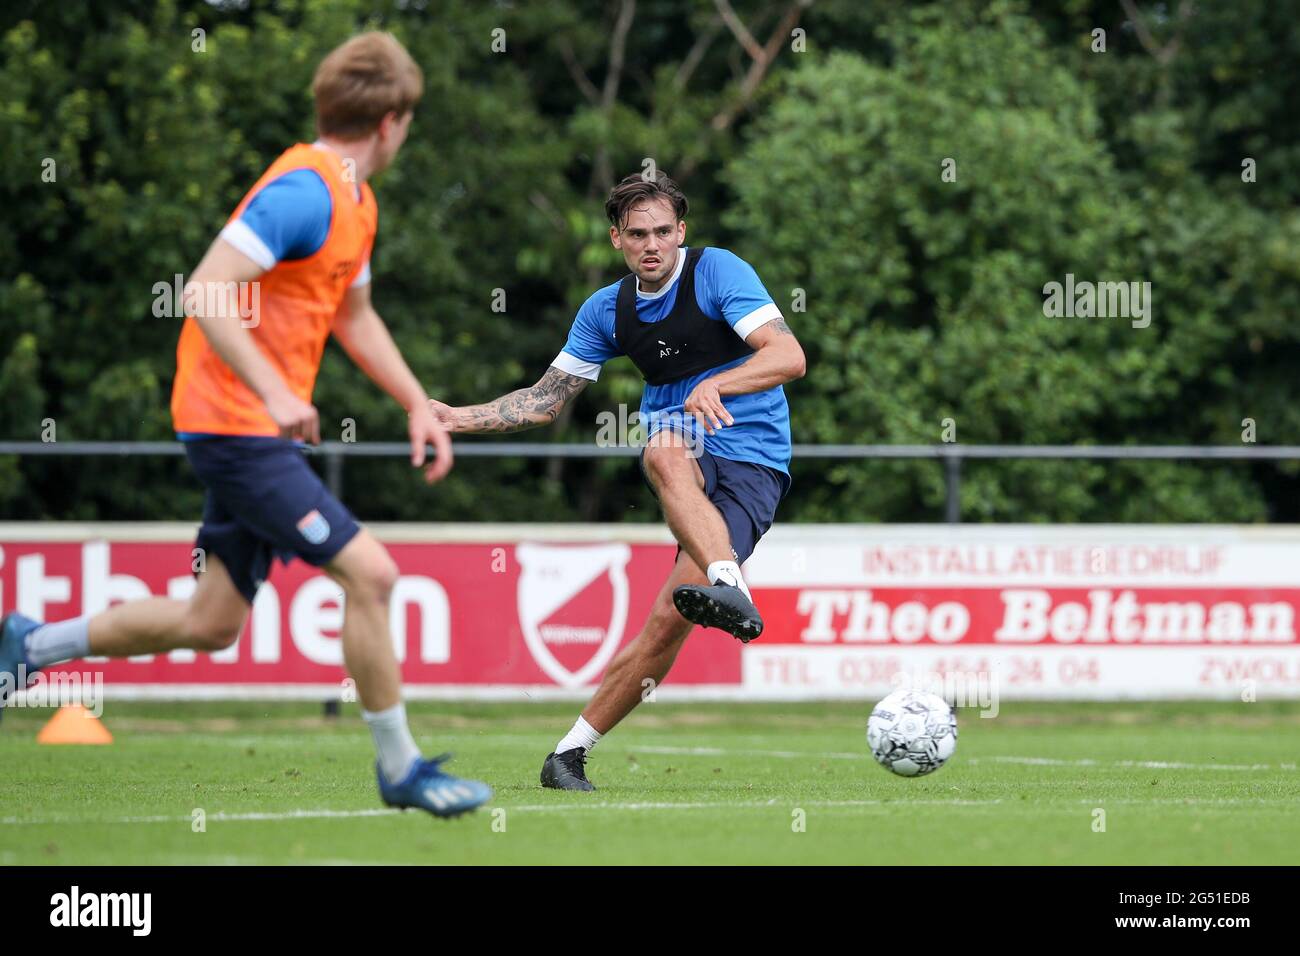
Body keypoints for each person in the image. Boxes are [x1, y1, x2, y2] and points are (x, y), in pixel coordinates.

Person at [0, 32, 491, 818]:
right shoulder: (303, 191)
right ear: (392, 122)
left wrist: (413, 401)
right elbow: (204, 290)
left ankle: (30, 645)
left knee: (212, 621)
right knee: (373, 575)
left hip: (254, 425)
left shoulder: (356, 201)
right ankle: (400, 769)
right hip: (232, 423)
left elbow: (354, 316)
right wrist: (274, 390)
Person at [430, 171, 806, 790]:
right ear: (616, 240)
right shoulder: (606, 310)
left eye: (663, 231)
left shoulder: (718, 272)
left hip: (752, 454)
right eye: (638, 235)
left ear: (681, 232)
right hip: (679, 444)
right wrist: (455, 418)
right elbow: (545, 401)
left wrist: (717, 382)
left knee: (667, 622)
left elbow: (787, 356)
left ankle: (568, 753)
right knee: (661, 449)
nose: (652, 244)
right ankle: (727, 581)